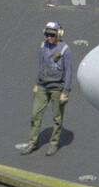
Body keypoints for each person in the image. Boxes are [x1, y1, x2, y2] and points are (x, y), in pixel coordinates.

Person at [21, 24, 73, 156]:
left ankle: (54, 143)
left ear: (59, 34)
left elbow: (68, 72)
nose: (49, 37)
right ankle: (33, 142)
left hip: (57, 88)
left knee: (57, 117)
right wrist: (37, 83)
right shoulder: (43, 46)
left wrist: (65, 91)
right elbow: (41, 65)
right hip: (43, 86)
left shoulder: (65, 50)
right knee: (35, 115)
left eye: (52, 35)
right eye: (47, 35)